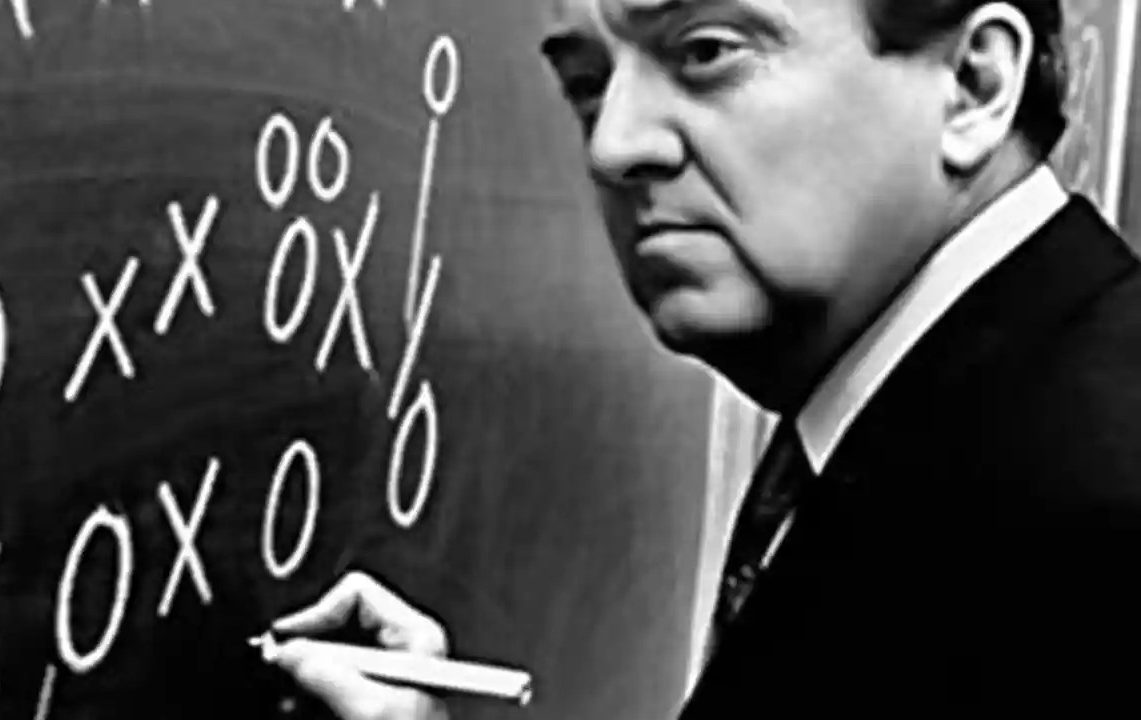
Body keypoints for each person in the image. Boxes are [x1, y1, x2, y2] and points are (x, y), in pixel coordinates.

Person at [270, 0, 1141, 714]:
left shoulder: (1094, 524)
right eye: (586, 85)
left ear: (971, 85)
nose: (613, 147)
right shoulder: (927, 399)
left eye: (707, 52)